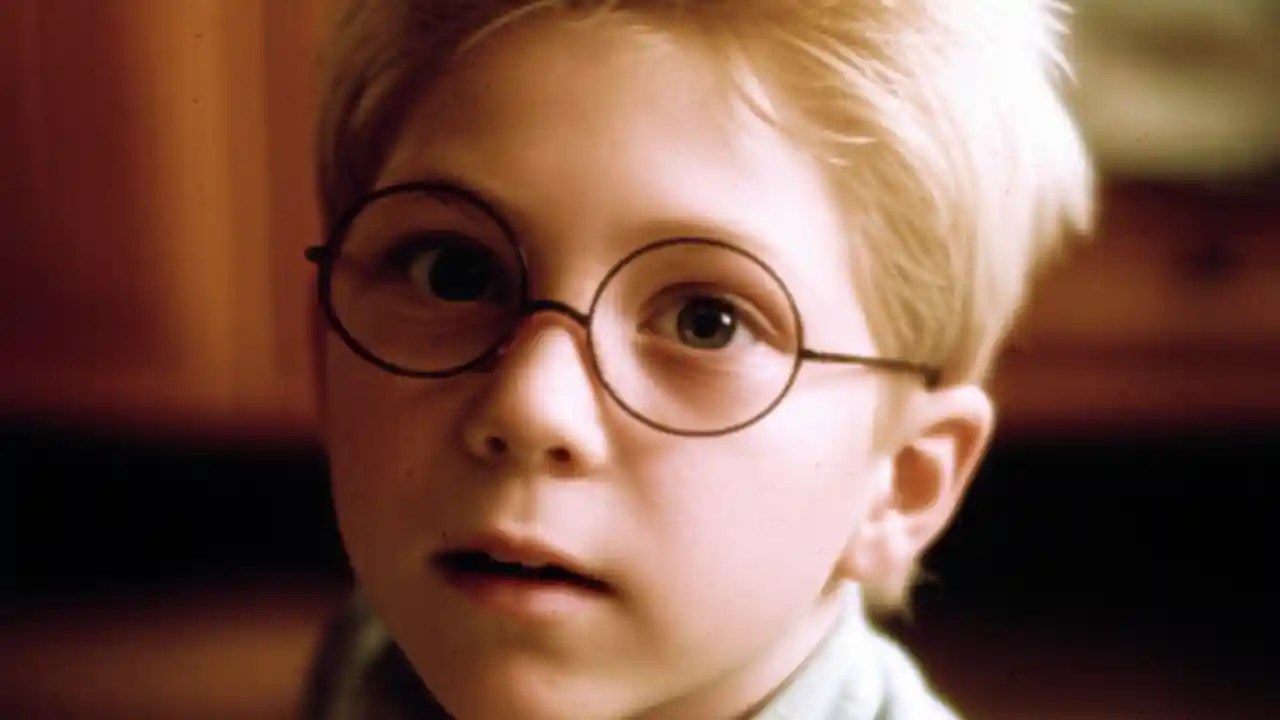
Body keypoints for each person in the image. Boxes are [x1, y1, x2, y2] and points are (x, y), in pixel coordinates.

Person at [302, 1, 1093, 717]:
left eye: (706, 323)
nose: (530, 403)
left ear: (902, 483)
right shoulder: (377, 656)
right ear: (321, 348)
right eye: (454, 273)